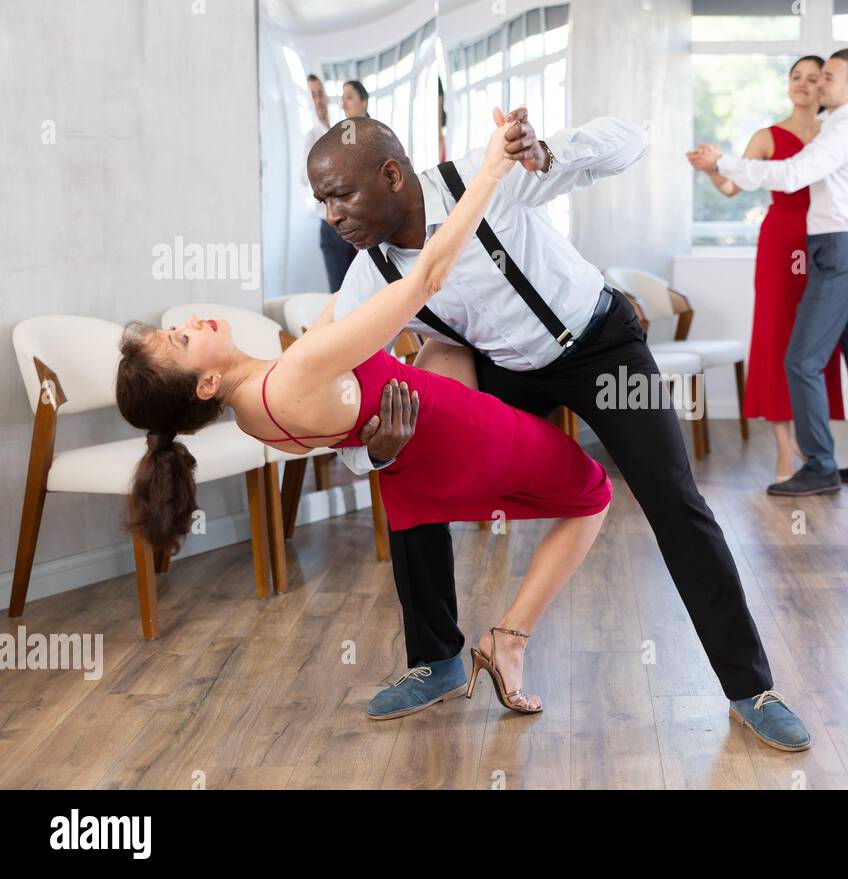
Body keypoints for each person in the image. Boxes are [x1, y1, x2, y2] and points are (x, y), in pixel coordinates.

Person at [311, 111, 811, 751]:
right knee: (405, 468)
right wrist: (369, 453)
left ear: (391, 175)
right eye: (322, 201)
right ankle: (437, 661)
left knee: (675, 502)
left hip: (602, 351)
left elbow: (634, 136)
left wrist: (545, 153)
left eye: (341, 195)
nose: (332, 216)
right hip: (510, 371)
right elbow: (329, 378)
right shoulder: (367, 272)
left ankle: (751, 689)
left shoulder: (482, 176)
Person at [116, 111, 610, 713]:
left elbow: (347, 349)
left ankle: (440, 665)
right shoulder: (297, 370)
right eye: (182, 341)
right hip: (469, 435)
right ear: (206, 383)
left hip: (415, 471)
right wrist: (489, 171)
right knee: (594, 496)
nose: (190, 322)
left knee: (443, 343)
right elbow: (426, 277)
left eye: (177, 328)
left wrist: (378, 445)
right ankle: (508, 638)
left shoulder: (256, 414)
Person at [688, 48, 848, 497]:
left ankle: (820, 465)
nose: (817, 83)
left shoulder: (841, 128)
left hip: (835, 250)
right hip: (847, 247)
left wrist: (722, 161)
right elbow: (748, 184)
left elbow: (792, 174)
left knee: (802, 360)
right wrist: (719, 168)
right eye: (809, 76)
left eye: (826, 77)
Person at [306, 74, 355, 291]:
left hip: (350, 220)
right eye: (313, 95)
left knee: (356, 288)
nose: (318, 99)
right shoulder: (311, 136)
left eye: (320, 93)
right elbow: (304, 175)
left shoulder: (340, 129)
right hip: (329, 225)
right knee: (338, 291)